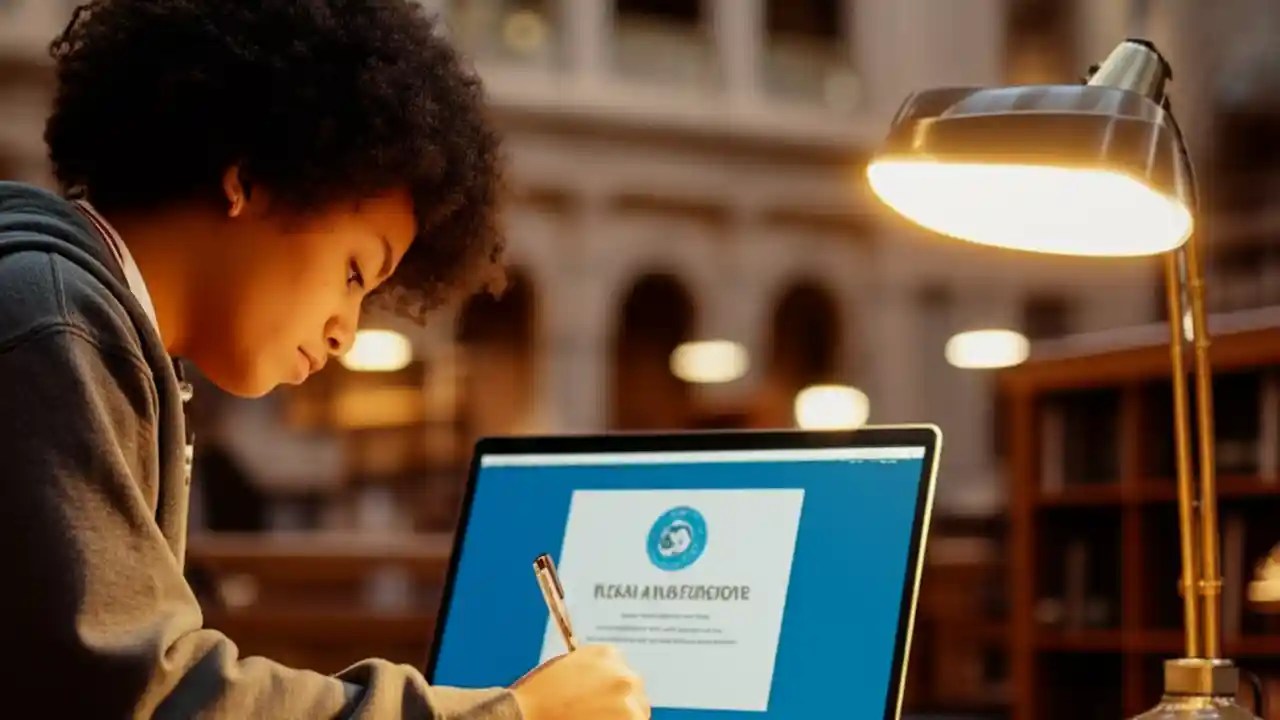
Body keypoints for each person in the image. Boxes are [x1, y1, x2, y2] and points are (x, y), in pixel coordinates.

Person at [0, 2, 649, 718]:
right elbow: (146, 696)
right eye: (352, 272)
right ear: (249, 177)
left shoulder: (67, 309)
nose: (344, 333)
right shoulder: (56, 325)